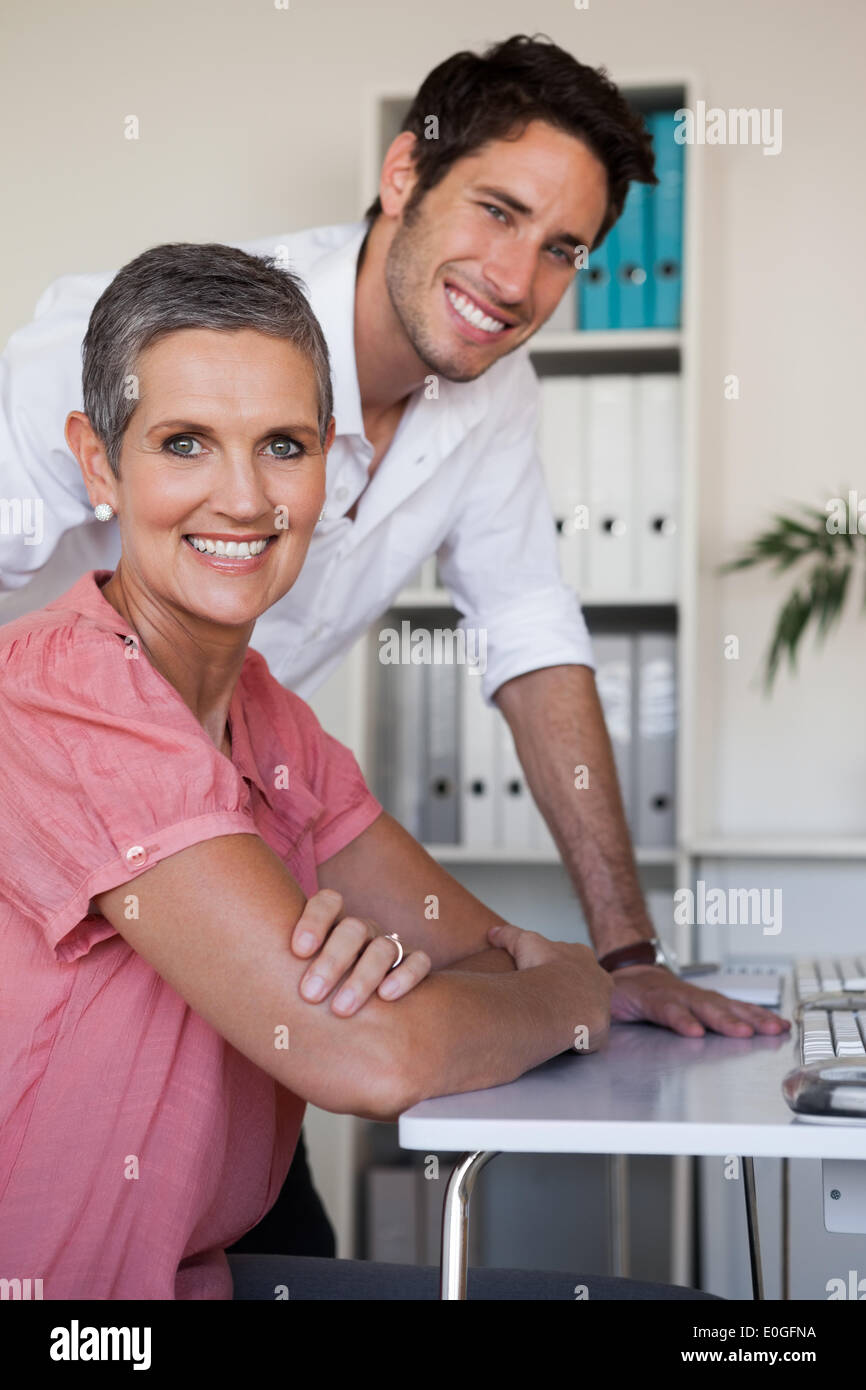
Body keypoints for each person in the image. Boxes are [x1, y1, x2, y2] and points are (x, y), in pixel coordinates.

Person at [0, 33, 788, 1258]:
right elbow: (366, 1045)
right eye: (499, 210)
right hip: (63, 830)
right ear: (403, 175)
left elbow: (530, 637)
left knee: (243, 1189)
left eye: (563, 248)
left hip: (236, 819)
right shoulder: (146, 337)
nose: (519, 277)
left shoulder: (279, 719)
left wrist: (612, 958)